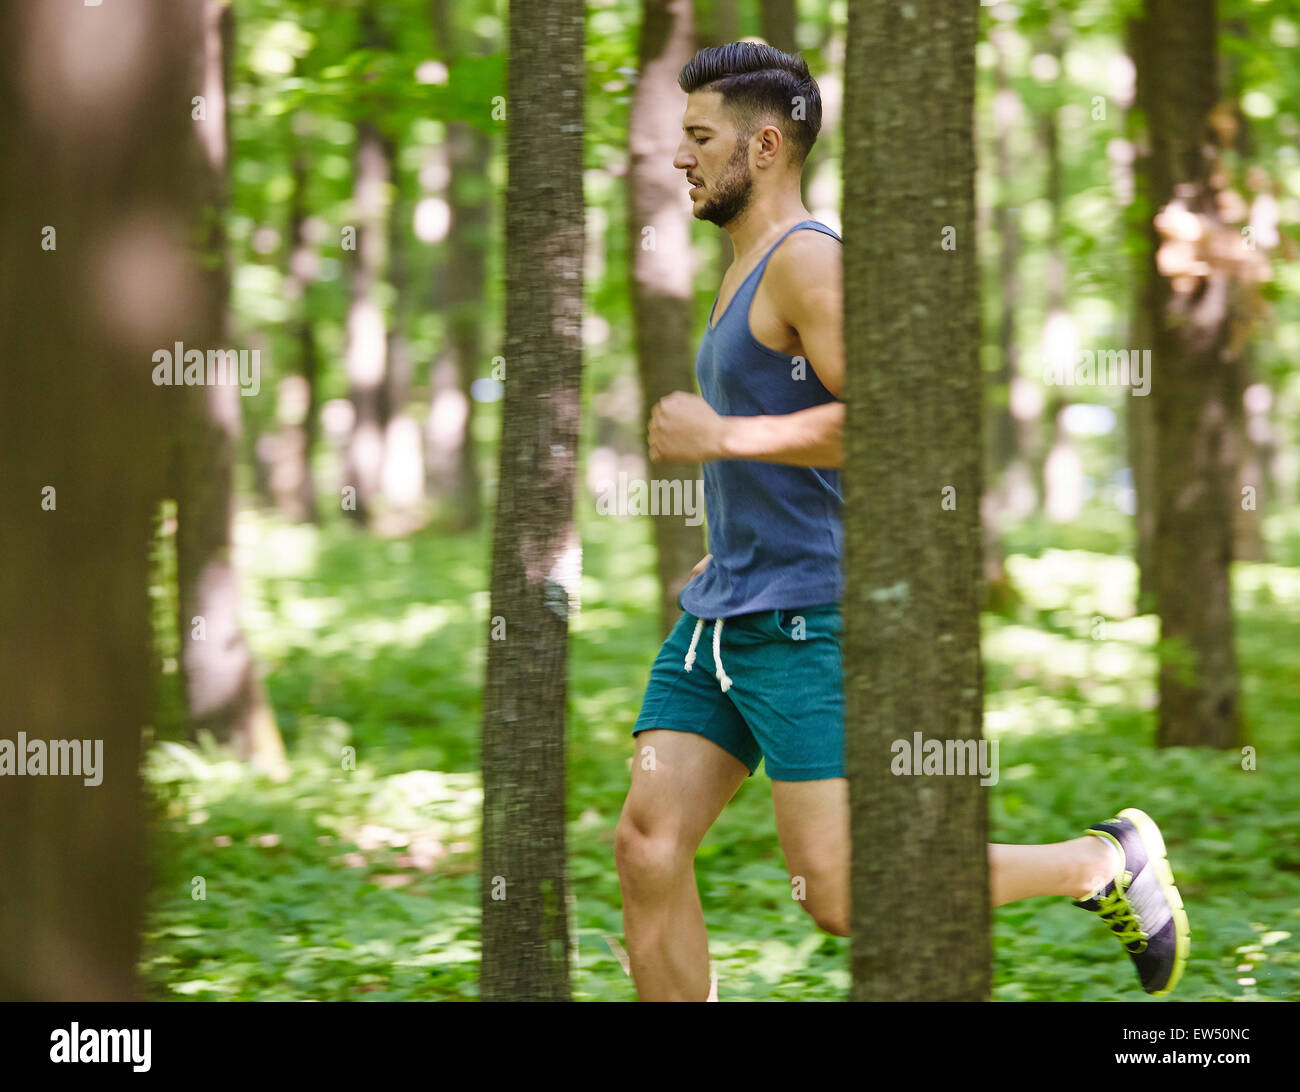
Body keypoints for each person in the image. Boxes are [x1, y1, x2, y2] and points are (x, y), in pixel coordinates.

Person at [614, 41, 1189, 1002]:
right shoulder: (742, 263)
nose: (680, 157)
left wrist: (725, 434)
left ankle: (1101, 861)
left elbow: (885, 421)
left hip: (803, 614)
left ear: (763, 146)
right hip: (721, 614)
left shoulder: (805, 264)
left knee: (839, 894)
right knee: (648, 842)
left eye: (700, 138)